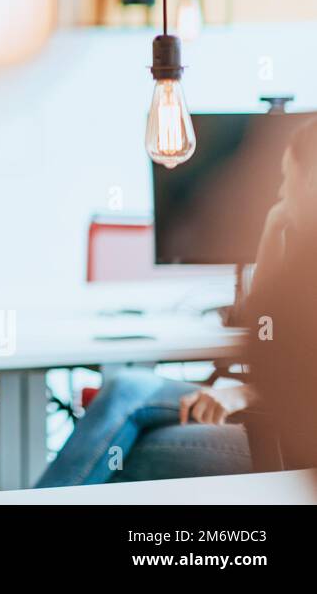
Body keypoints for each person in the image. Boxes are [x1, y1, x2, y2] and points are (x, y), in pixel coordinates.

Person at [34, 119, 317, 488]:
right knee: (125, 392)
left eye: (286, 179)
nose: (279, 192)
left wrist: (245, 392)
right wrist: (272, 226)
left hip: (288, 448)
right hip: (269, 420)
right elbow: (263, 336)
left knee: (120, 446)